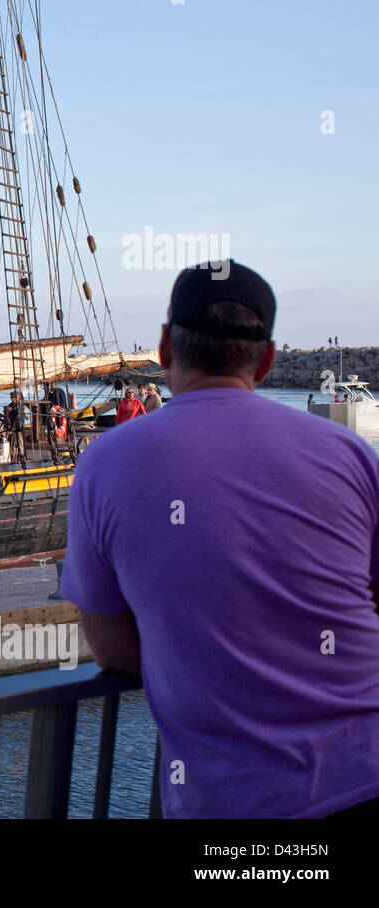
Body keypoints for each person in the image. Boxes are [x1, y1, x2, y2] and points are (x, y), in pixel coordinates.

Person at [60, 260, 379, 818]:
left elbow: (109, 646)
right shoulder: (350, 454)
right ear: (268, 360)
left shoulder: (105, 463)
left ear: (163, 347)